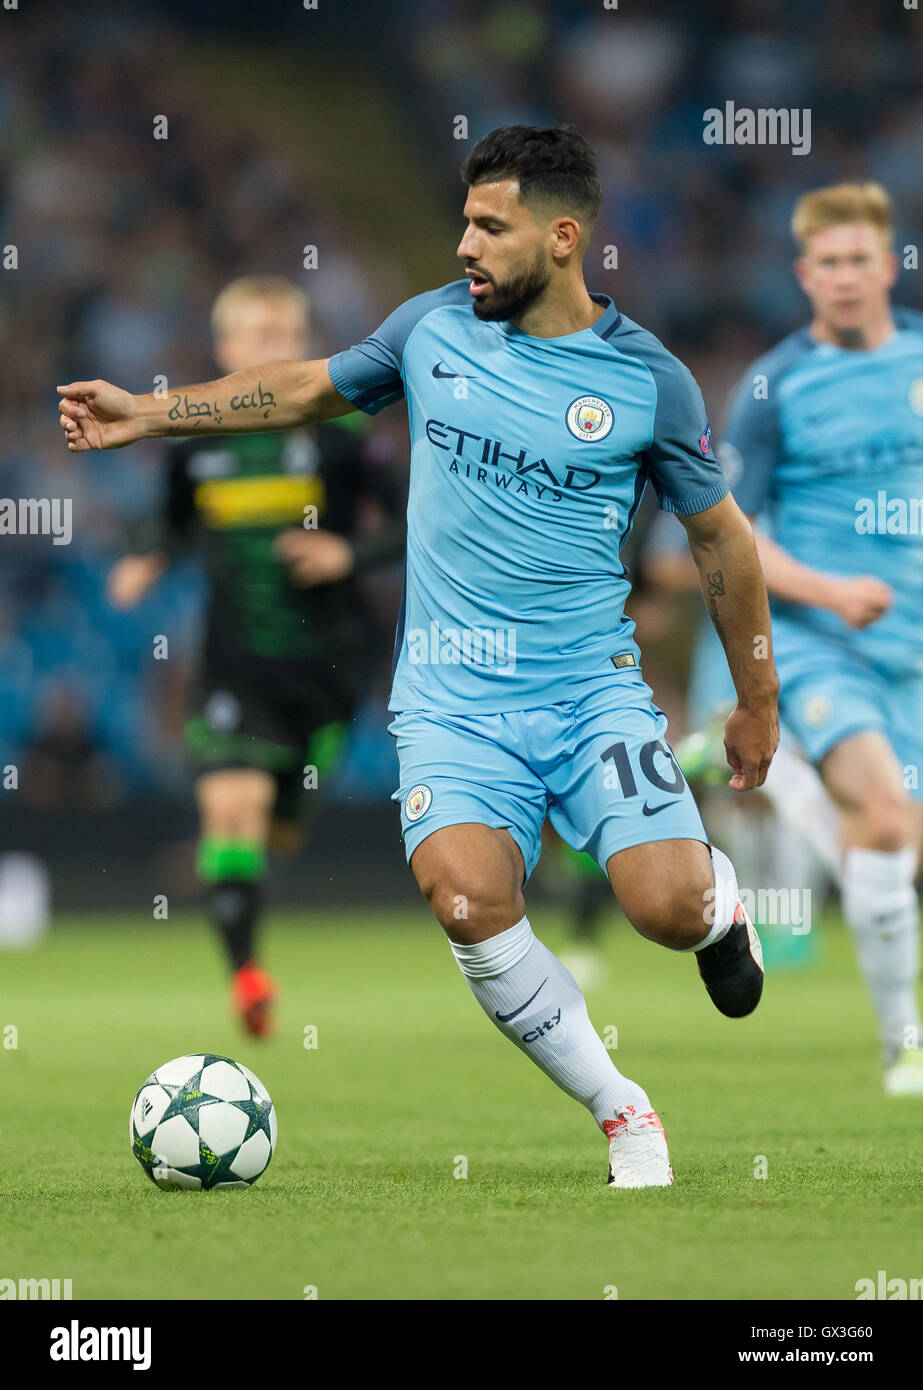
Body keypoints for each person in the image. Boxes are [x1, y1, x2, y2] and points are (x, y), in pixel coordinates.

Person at [59, 126, 778, 1187]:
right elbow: (302, 388)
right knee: (464, 898)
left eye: (489, 226)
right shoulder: (429, 330)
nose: (463, 246)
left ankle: (715, 904)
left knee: (662, 910)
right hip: (449, 699)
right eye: (463, 220)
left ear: (562, 236)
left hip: (588, 694)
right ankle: (621, 1110)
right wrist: (151, 415)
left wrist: (755, 699)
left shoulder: (645, 381)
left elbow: (718, 537)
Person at [106, 276, 405, 1036]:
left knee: (278, 827)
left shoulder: (345, 436)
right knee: (232, 810)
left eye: (286, 335)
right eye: (257, 335)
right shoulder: (196, 446)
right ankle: (246, 976)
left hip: (331, 668)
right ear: (226, 348)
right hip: (235, 666)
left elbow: (415, 522)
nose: (272, 348)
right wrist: (146, 560)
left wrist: (348, 551)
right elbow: (168, 525)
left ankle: (242, 864)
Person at [722, 183, 923, 1095]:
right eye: (827, 264)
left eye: (860, 261)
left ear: (888, 265)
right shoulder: (772, 388)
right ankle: (903, 1045)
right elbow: (727, 537)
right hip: (815, 642)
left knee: (892, 837)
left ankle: (799, 792)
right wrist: (830, 591)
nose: (845, 279)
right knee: (884, 816)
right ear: (804, 275)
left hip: (911, 648)